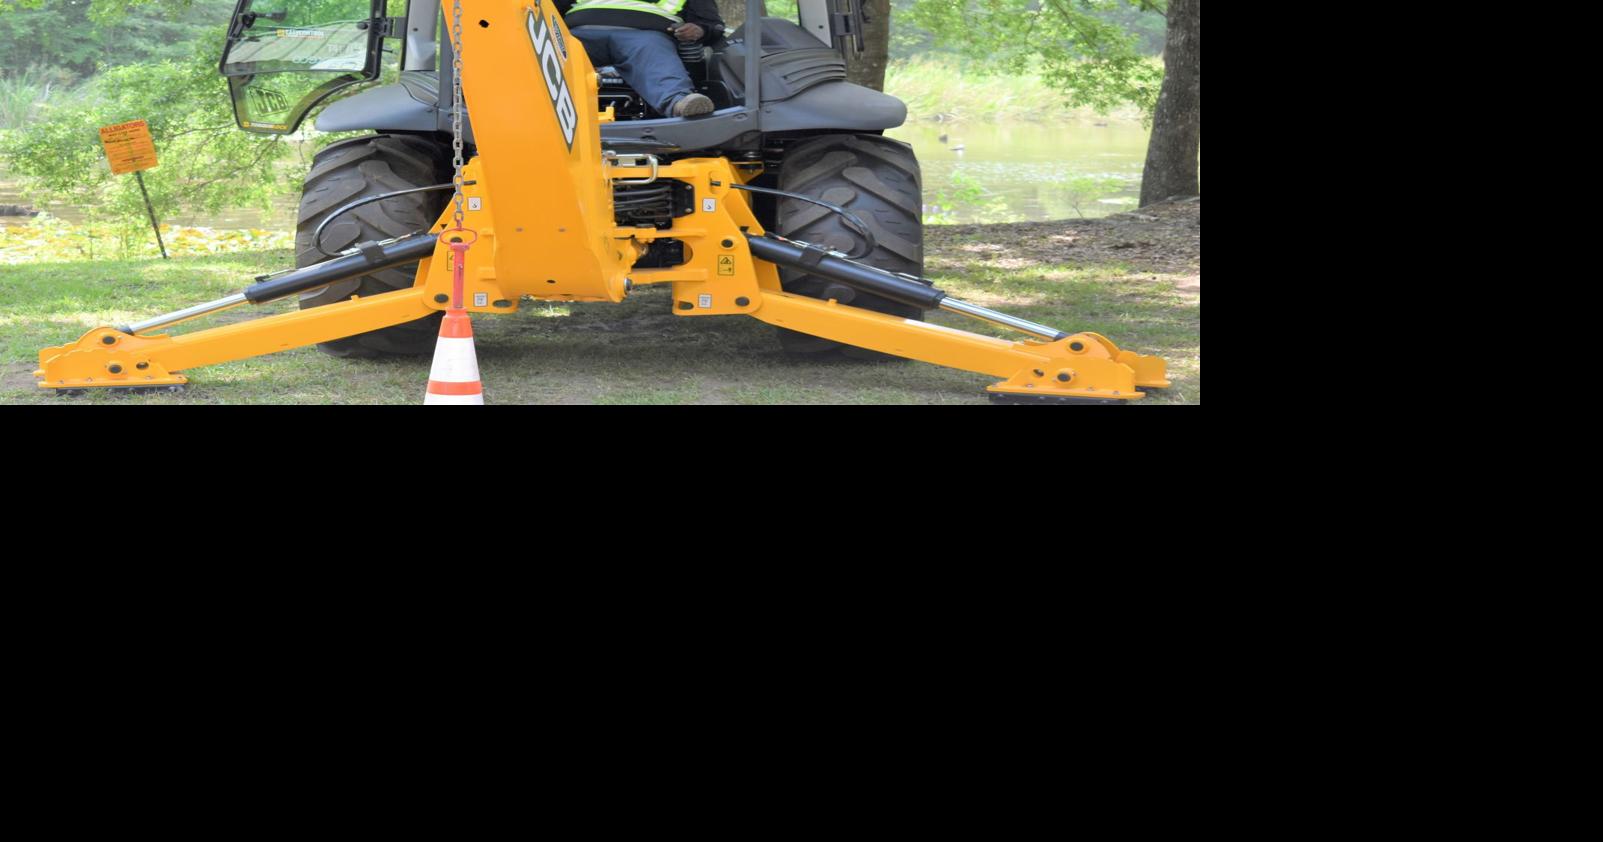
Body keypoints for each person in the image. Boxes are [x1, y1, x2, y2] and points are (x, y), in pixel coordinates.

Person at [554, 1, 726, 118]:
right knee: (552, 52)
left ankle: (679, 102)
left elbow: (712, 25)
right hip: (579, 35)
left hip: (645, 36)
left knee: (653, 54)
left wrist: (700, 30)